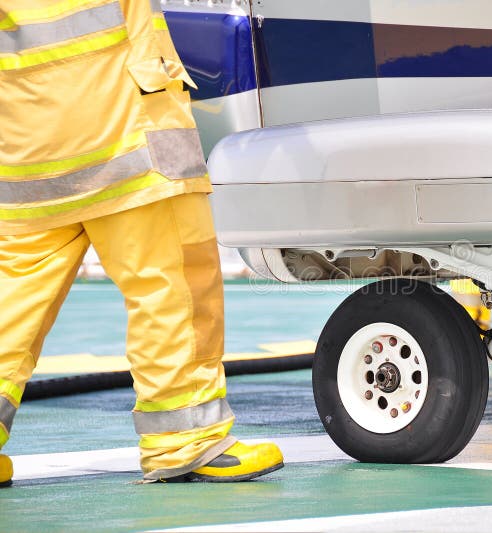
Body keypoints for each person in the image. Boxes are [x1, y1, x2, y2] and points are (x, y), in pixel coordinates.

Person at [0, 0, 283, 486]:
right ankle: (186, 440)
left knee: (14, 299)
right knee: (172, 285)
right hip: (128, 133)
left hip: (26, 145)